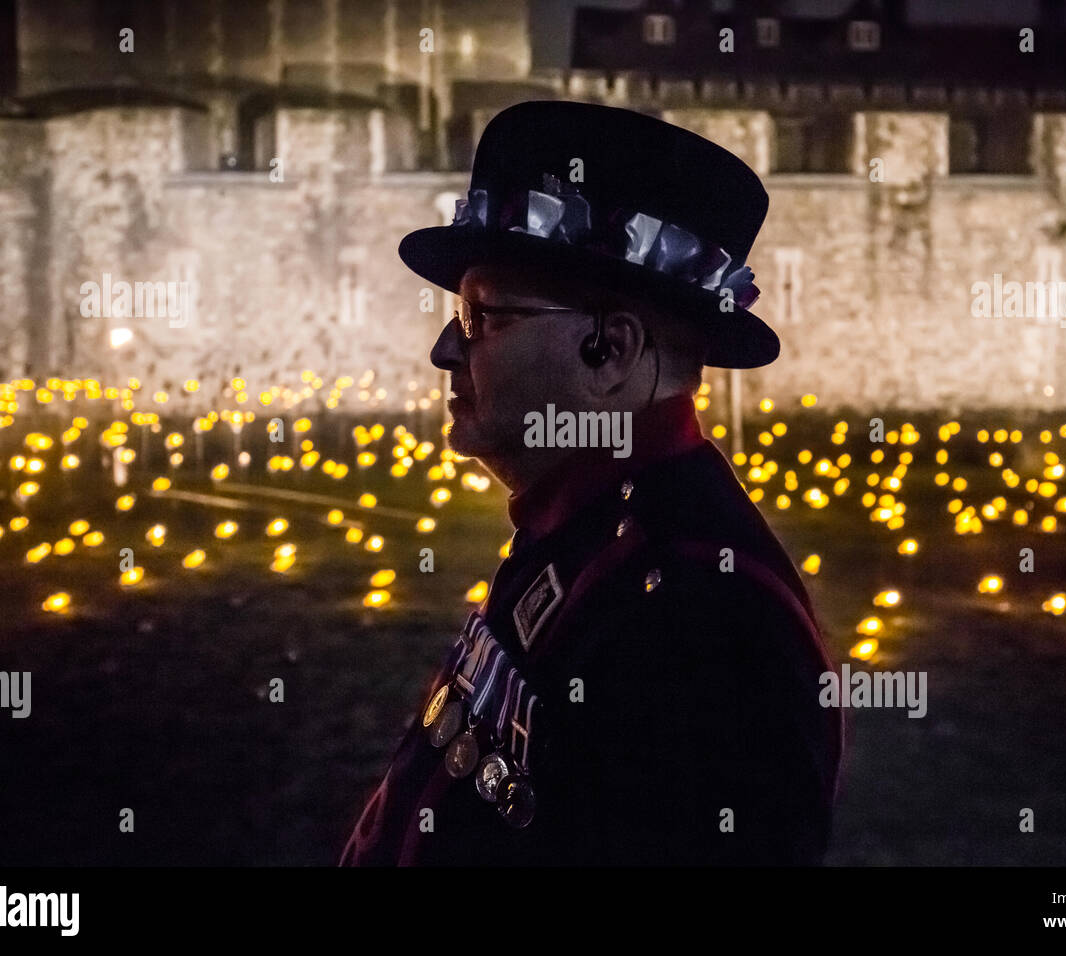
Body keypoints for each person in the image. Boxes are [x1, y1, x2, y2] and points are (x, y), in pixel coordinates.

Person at [340, 100, 842, 865]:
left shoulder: (703, 616)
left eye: (483, 318)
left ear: (609, 353)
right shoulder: (577, 528)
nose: (446, 349)